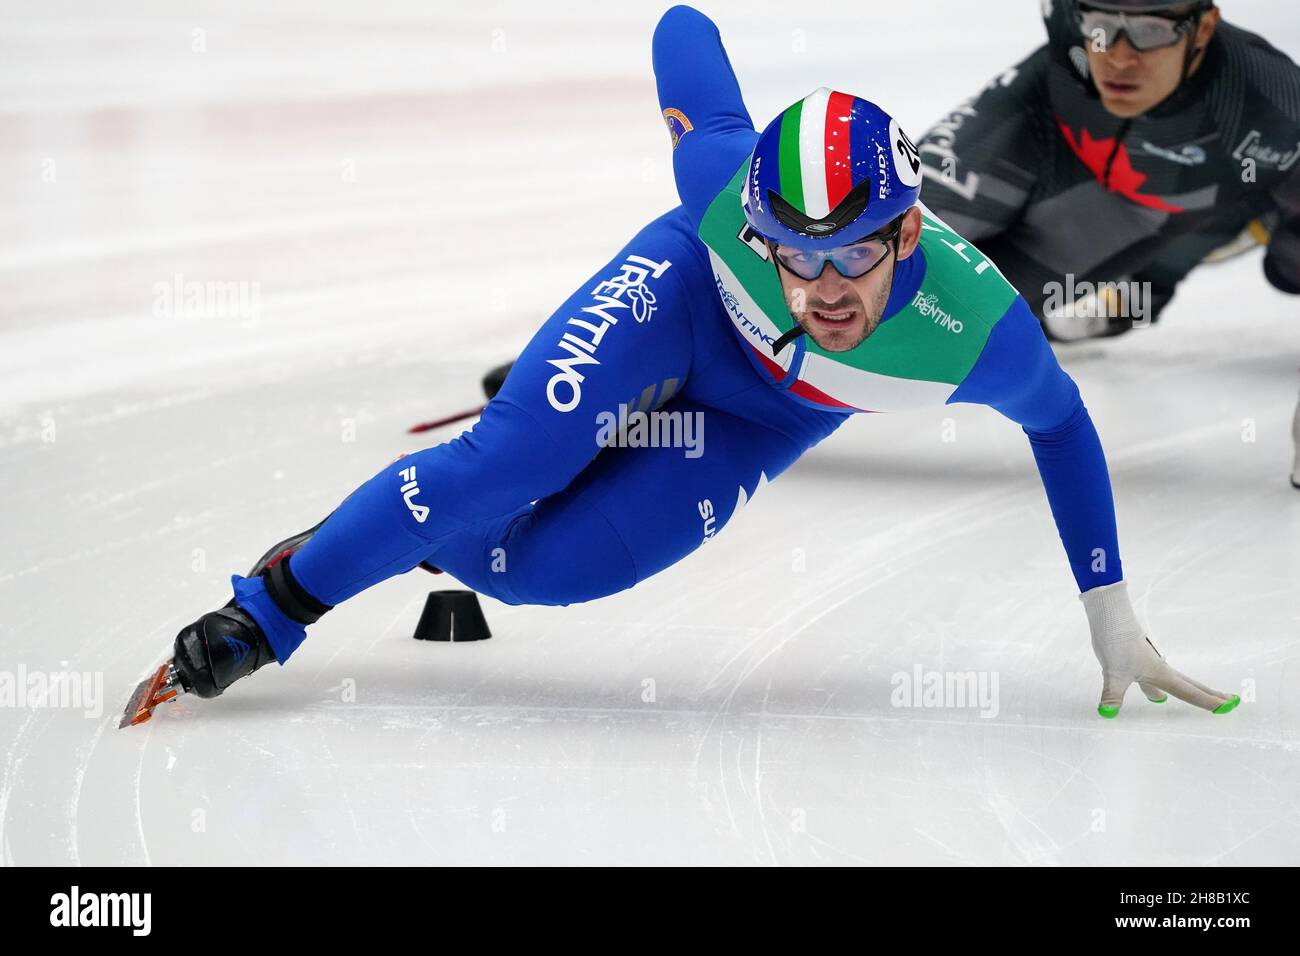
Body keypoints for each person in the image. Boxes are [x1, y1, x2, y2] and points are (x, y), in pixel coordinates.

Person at [126, 5, 1240, 727]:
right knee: (506, 462)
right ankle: (284, 592)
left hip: (764, 414)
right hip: (679, 303)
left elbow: (1062, 426)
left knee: (535, 568)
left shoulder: (980, 331)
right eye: (789, 254)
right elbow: (681, 35)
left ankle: (412, 537)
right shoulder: (715, 191)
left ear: (908, 232)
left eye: (853, 250)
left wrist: (1109, 608)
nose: (819, 288)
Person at [915, 0, 1300, 486]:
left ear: (1203, 29)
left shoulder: (1272, 105)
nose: (1119, 57)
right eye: (1101, 26)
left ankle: (1186, 260)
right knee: (892, 244)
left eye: (1150, 30)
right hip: (1047, 125)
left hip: (1154, 204)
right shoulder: (1066, 25)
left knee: (958, 320)